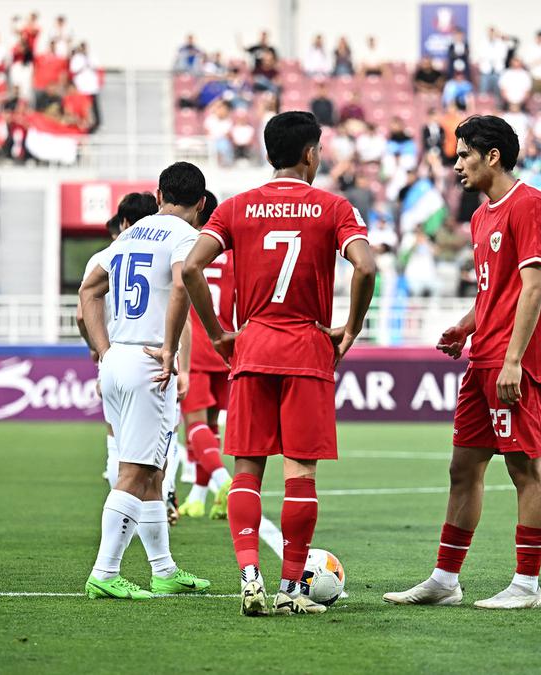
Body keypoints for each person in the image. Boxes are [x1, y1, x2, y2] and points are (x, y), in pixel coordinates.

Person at [182, 111, 376, 616]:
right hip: (308, 350)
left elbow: (191, 268)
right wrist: (351, 327)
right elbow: (366, 266)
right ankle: (291, 590)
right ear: (310, 153)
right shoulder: (334, 207)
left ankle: (250, 576)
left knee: (247, 468)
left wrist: (218, 333)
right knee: (300, 473)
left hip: (253, 346)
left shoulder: (237, 209)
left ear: (270, 152)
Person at [384, 115, 541, 610]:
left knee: (525, 469)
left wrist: (514, 360)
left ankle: (526, 585)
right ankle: (445, 580)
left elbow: (535, 287)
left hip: (513, 364)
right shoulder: (482, 216)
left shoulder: (530, 206)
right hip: (484, 358)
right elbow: (494, 293)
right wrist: (467, 325)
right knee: (463, 467)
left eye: (463, 154)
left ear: (493, 155)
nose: (457, 163)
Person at [79, 163, 212, 600]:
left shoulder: (128, 235)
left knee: (153, 471)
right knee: (135, 473)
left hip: (118, 358)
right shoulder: (184, 236)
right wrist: (171, 348)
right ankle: (104, 571)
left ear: (158, 196)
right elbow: (181, 285)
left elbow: (87, 293)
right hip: (149, 361)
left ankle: (164, 570)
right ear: (202, 204)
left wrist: (103, 349)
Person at [76, 192, 159, 489]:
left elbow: (82, 315)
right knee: (154, 447)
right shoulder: (162, 252)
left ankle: (121, 509)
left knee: (117, 442)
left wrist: (99, 350)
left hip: (114, 355)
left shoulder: (104, 257)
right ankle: (150, 510)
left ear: (123, 221)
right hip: (153, 355)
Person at [177, 190, 233, 520]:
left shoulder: (188, 248)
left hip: (195, 345)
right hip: (224, 343)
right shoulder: (230, 253)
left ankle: (223, 483)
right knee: (210, 427)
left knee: (194, 425)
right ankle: (199, 497)